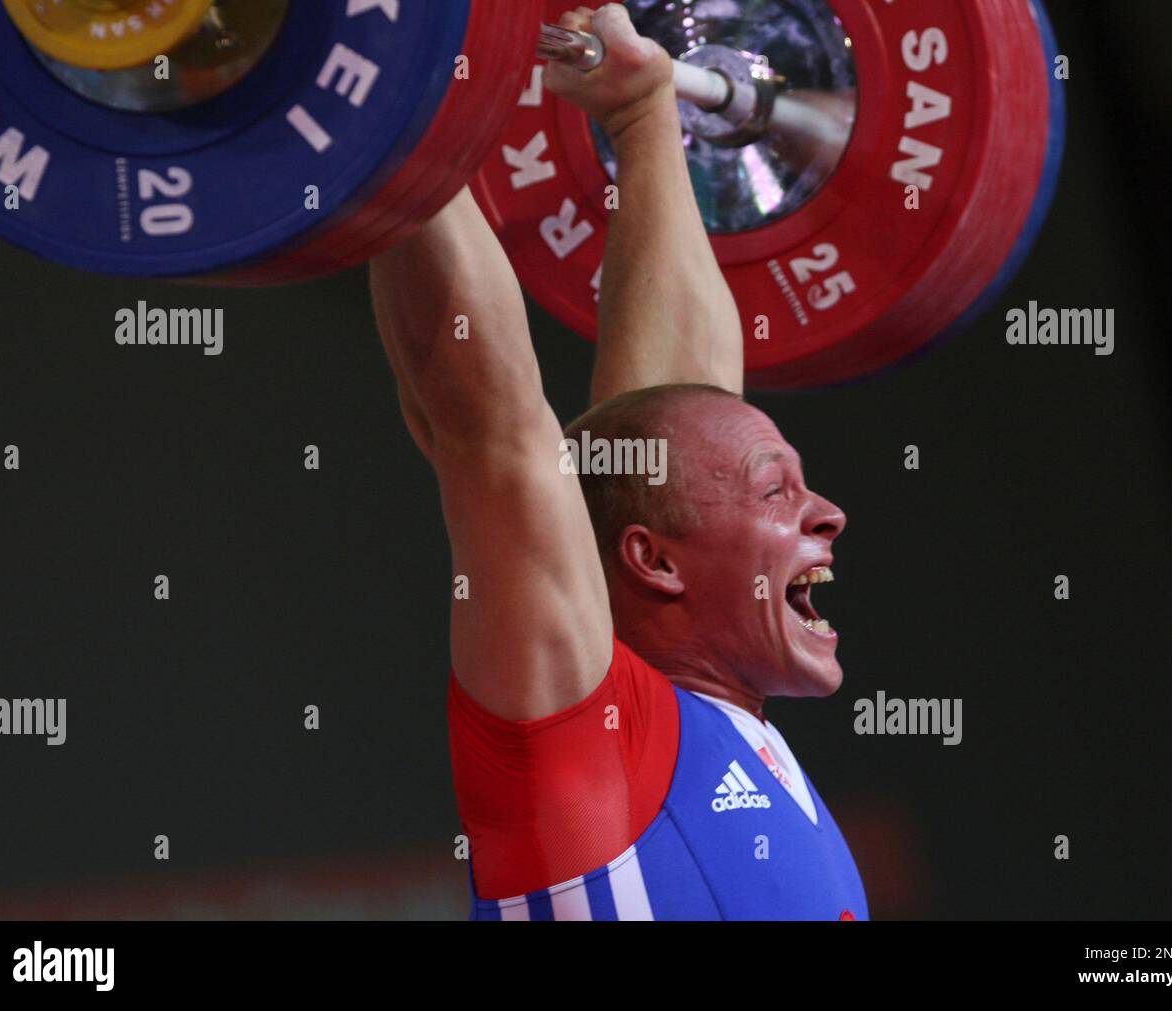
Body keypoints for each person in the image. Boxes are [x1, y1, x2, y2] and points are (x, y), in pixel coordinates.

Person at [369, 3, 866, 920]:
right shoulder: (585, 741)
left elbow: (679, 419)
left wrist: (644, 121)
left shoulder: (725, 743)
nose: (829, 513)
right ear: (653, 560)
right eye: (779, 490)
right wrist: (385, 96)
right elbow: (494, 432)